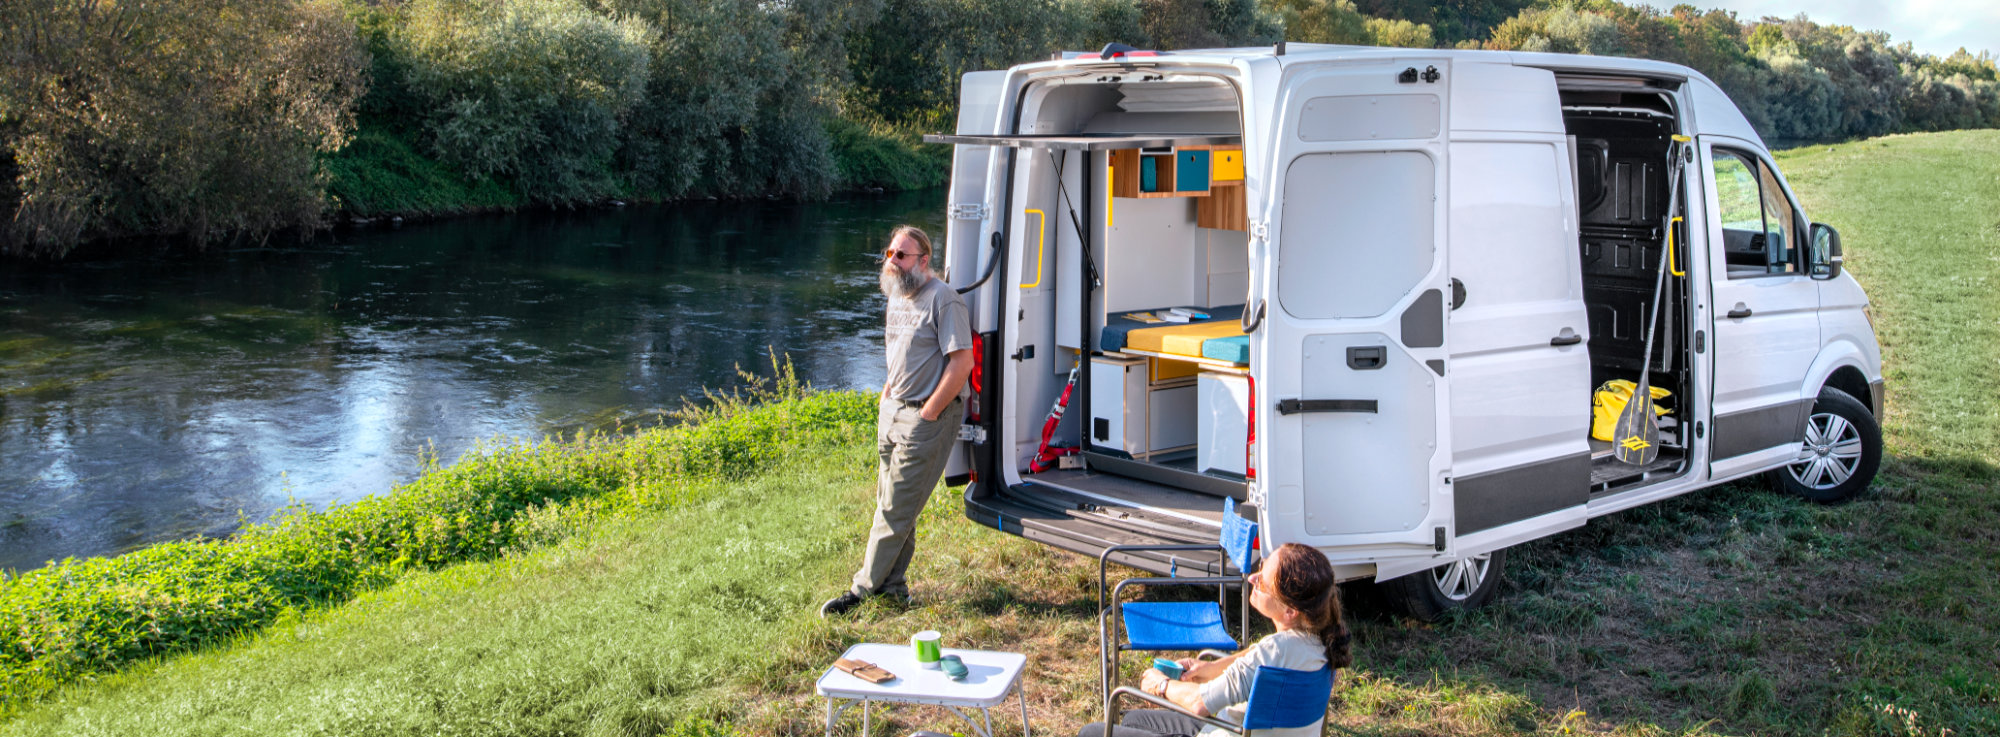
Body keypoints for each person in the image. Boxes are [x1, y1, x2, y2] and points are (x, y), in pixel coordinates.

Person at [821, 225, 975, 617]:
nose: (892, 261)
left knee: (894, 510)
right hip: (893, 411)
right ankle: (892, 589)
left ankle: (860, 593)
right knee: (891, 504)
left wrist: (929, 412)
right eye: (889, 253)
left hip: (926, 415)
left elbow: (962, 363)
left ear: (923, 260)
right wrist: (887, 390)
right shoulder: (897, 296)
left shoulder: (943, 299)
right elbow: (901, 351)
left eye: (901, 255)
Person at [1078, 543, 1352, 737]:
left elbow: (1200, 703)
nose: (1253, 577)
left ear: (1290, 610)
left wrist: (1160, 685)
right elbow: (1253, 656)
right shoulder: (1321, 641)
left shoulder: (1276, 650)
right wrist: (1207, 669)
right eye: (1261, 567)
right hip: (1235, 728)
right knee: (1135, 718)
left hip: (1225, 732)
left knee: (1092, 732)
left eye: (1263, 581)